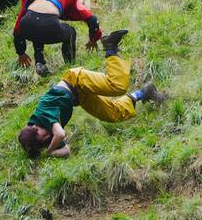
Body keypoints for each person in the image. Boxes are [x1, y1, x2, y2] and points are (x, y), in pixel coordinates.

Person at [17, 29, 166, 158]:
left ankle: (110, 46)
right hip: (79, 97)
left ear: (35, 127)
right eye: (45, 140)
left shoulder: (42, 116)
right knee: (112, 114)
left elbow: (60, 135)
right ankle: (144, 93)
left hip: (75, 81)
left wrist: (49, 151)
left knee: (117, 86)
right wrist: (48, 151)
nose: (48, 137)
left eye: (43, 135)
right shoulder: (44, 135)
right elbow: (66, 150)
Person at [12, 0, 102, 75]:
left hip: (27, 24)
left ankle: (40, 62)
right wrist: (93, 39)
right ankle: (70, 65)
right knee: (70, 32)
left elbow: (17, 29)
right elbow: (92, 19)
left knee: (36, 26)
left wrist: (20, 52)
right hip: (47, 25)